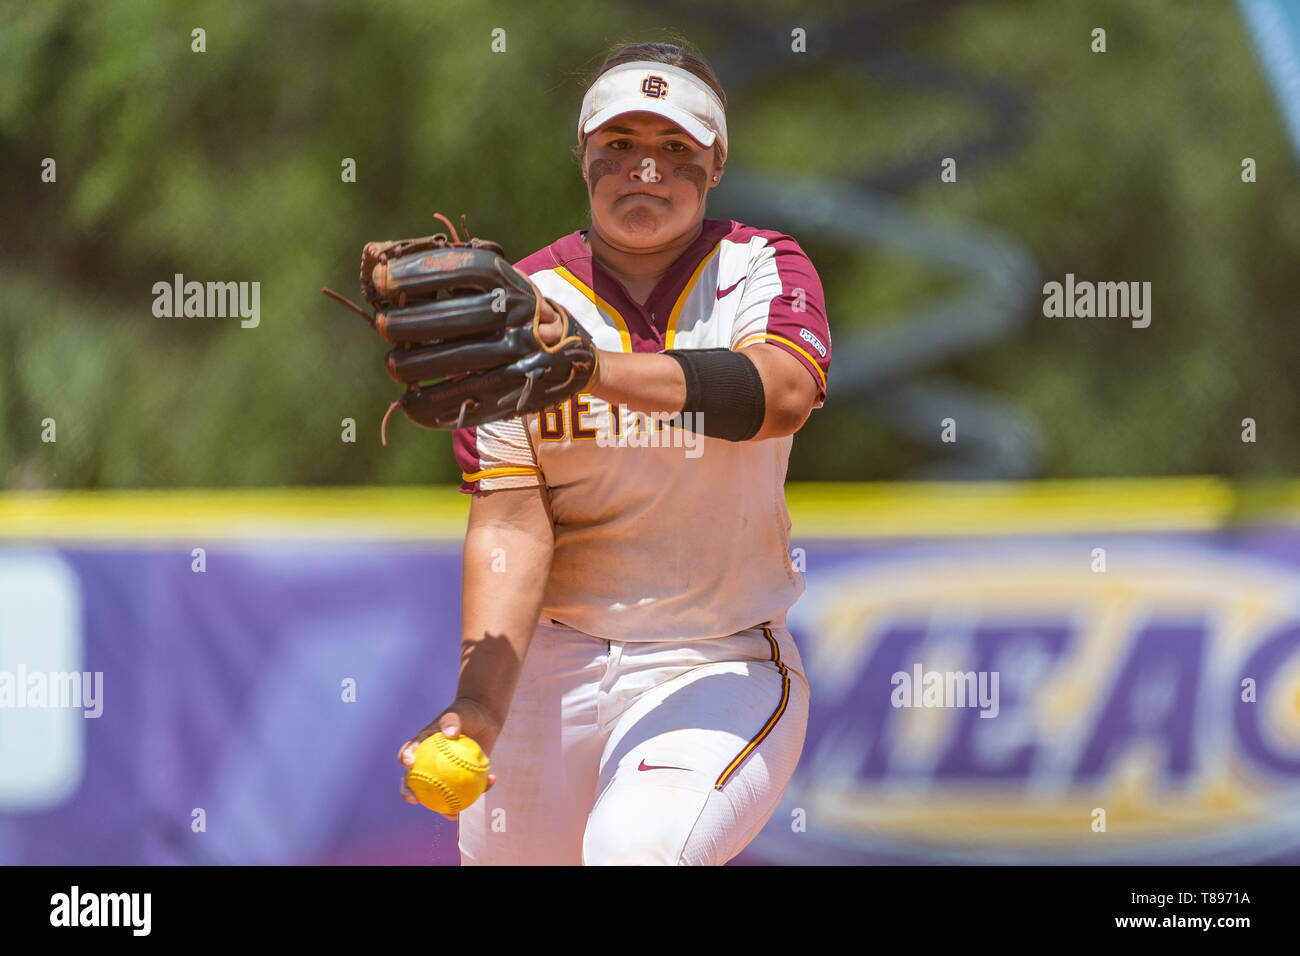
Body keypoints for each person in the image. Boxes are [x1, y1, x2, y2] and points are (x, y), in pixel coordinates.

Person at [397, 40, 831, 865]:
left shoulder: (757, 268)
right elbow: (512, 526)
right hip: (552, 663)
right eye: (621, 145)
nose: (646, 169)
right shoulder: (520, 308)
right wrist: (479, 708)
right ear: (585, 156)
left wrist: (591, 369)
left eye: (675, 148)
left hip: (718, 654)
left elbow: (778, 396)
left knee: (635, 850)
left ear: (715, 165)